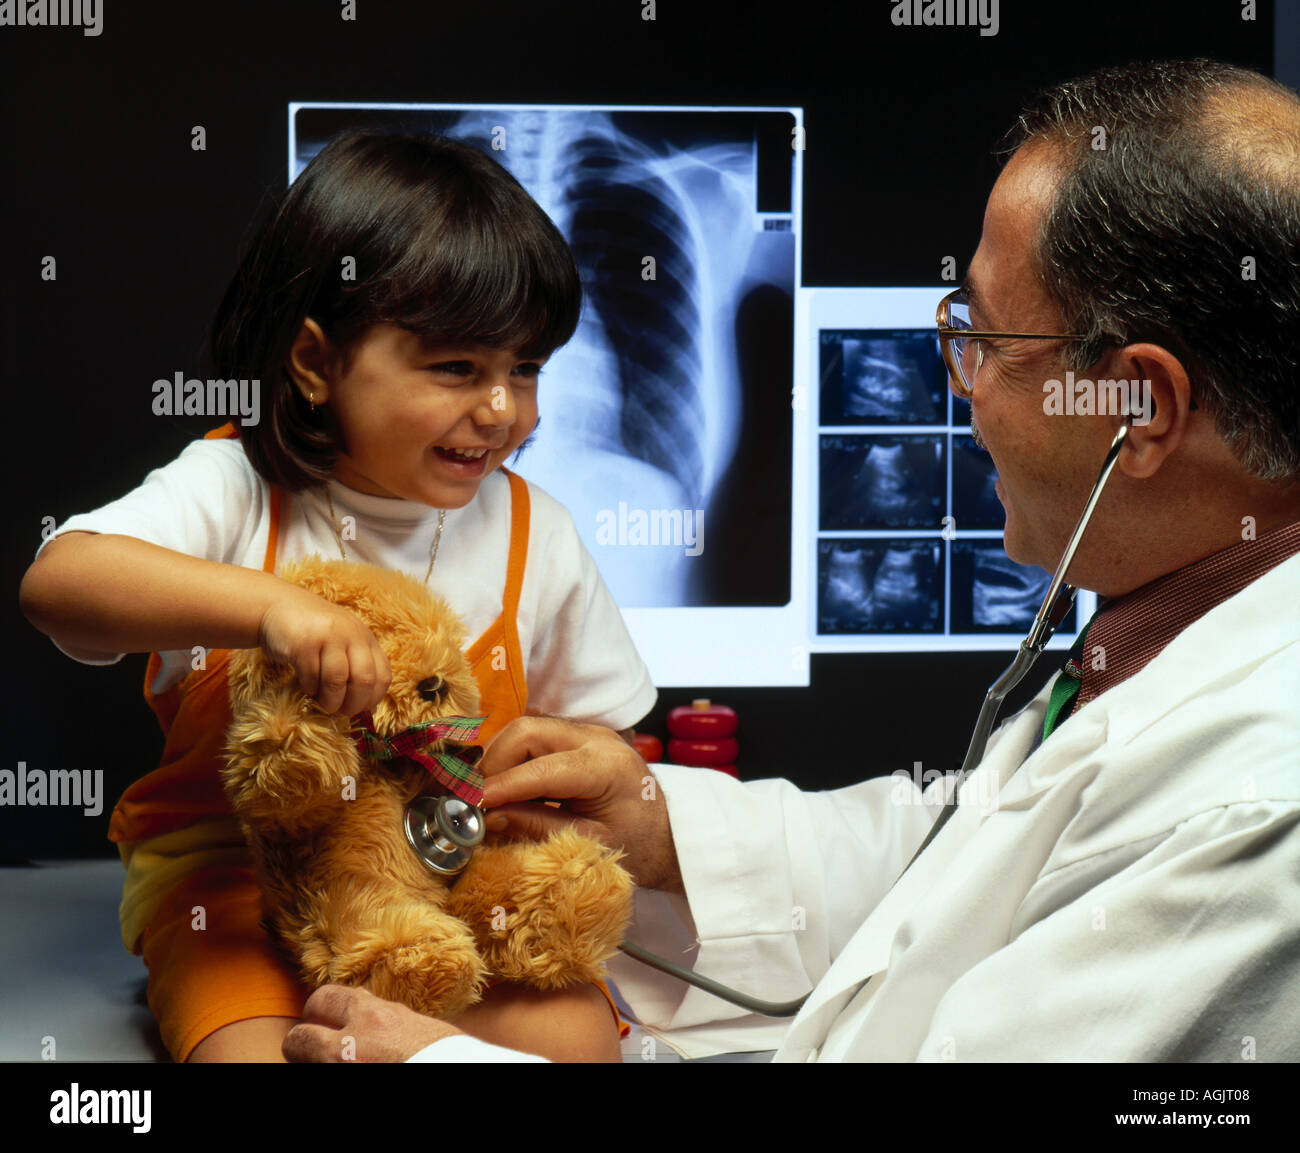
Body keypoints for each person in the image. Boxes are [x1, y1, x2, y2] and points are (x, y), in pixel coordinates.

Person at [284, 58, 1300, 1062]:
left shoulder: (1258, 821)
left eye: (983, 337)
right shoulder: (1176, 628)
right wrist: (661, 825)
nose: (959, 383)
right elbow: (981, 853)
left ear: (1140, 405)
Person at [18, 131, 657, 1063]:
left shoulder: (536, 529)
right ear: (315, 362)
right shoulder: (239, 484)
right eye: (456, 369)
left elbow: (607, 743)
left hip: (441, 894)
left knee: (582, 1041)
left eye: (524, 370)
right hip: (231, 888)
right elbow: (59, 580)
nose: (500, 410)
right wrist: (270, 608)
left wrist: (561, 784)